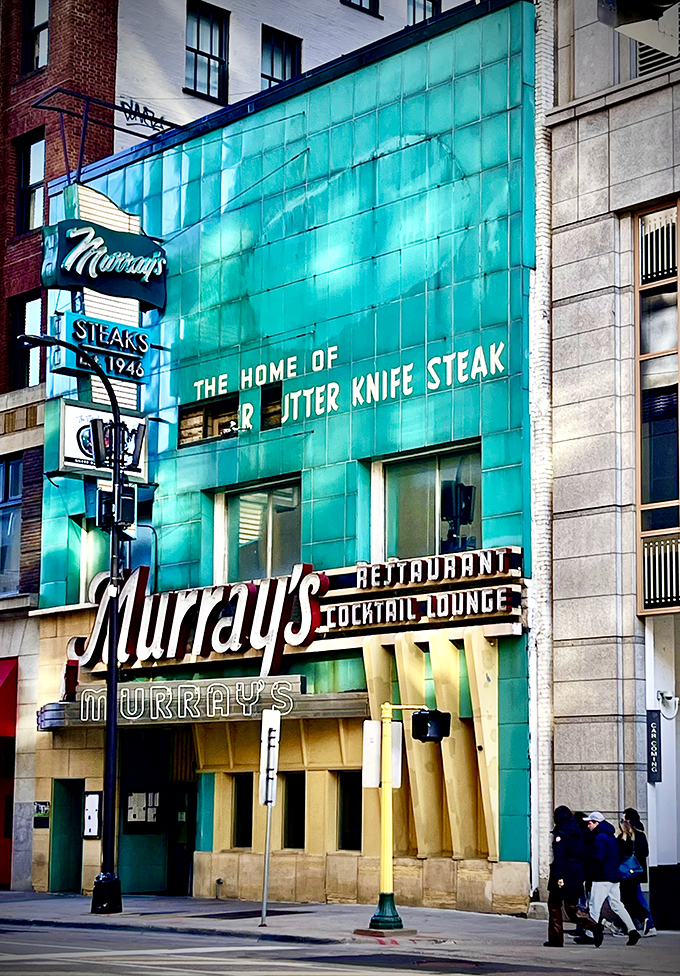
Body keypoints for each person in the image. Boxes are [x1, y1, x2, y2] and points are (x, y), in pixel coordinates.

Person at [545, 806, 603, 947]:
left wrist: (558, 876)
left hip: (564, 871)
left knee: (554, 905)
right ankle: (593, 926)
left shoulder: (561, 833)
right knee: (572, 907)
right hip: (576, 872)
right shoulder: (579, 832)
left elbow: (559, 856)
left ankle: (556, 939)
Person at [584, 812, 641, 946]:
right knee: (617, 905)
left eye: (590, 823)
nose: (588, 826)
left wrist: (591, 873)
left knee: (594, 906)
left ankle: (590, 934)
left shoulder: (599, 837)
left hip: (602, 877)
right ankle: (632, 930)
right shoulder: (611, 836)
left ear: (597, 823)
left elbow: (598, 858)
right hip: (614, 876)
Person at [621, 807, 657, 937]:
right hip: (636, 872)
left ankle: (649, 924)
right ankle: (625, 925)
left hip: (630, 873)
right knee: (632, 897)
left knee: (635, 898)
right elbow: (645, 853)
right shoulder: (640, 835)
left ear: (628, 821)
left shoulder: (630, 836)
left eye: (623, 819)